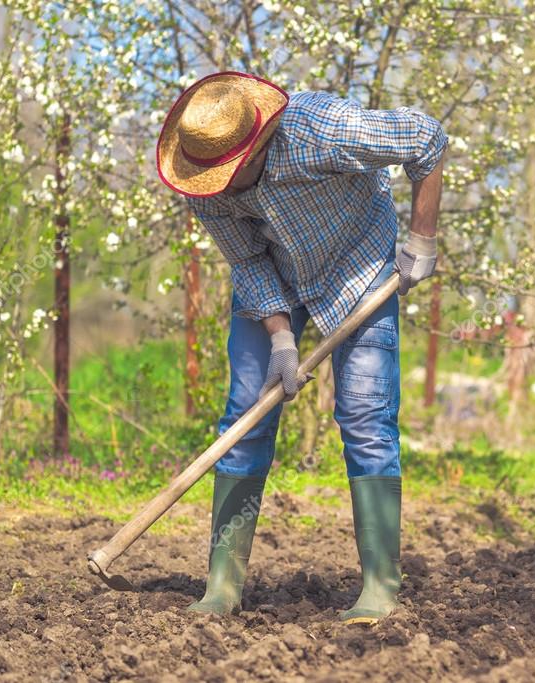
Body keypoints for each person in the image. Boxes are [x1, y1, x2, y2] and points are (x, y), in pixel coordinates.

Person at [155, 71, 447, 624]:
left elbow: (426, 137)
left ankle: (379, 587)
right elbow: (247, 259)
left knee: (365, 415)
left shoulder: (322, 129)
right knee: (246, 414)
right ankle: (222, 587)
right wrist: (281, 336)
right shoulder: (202, 178)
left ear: (256, 147)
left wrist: (422, 237)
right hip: (274, 283)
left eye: (227, 174)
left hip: (359, 269)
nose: (218, 185)